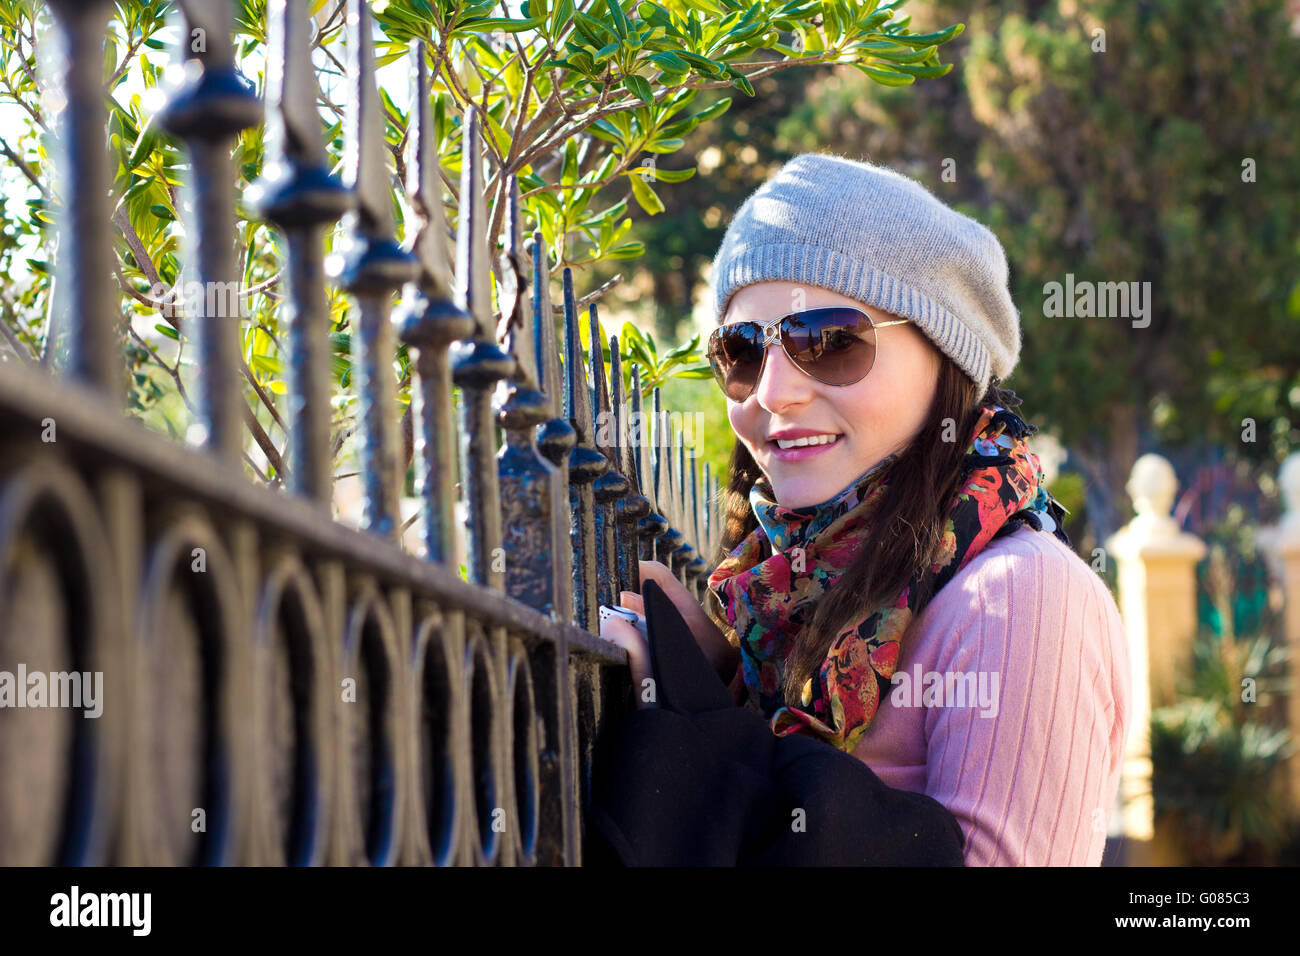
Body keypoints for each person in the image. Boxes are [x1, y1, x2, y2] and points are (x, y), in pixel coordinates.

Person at [601, 152, 1131, 866]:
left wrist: (704, 741)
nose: (772, 394)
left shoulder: (1020, 599)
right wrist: (722, 685)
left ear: (947, 355)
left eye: (828, 341)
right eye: (742, 351)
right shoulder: (783, 607)